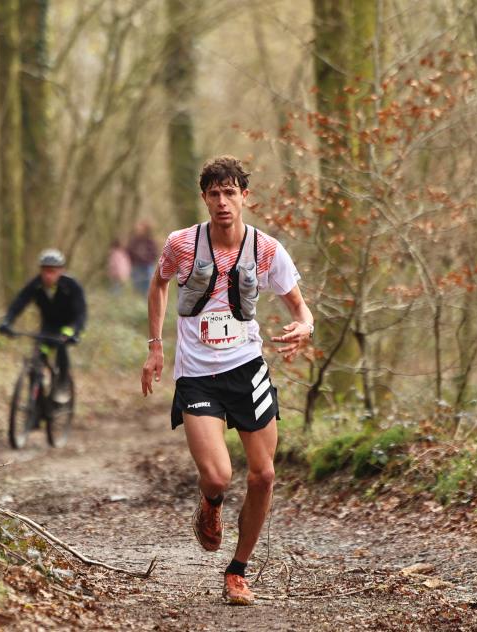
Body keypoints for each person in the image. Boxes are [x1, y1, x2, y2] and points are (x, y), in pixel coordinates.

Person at [140, 155, 314, 606]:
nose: (222, 202)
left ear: (244, 197)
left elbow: (299, 305)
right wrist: (155, 345)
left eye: (230, 193)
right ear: (204, 198)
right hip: (197, 375)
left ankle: (237, 571)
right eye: (214, 194)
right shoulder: (181, 244)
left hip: (246, 368)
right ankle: (211, 505)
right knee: (217, 476)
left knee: (264, 474)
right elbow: (159, 285)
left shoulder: (266, 249)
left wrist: (305, 324)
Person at [0, 249, 87, 402]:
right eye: (44, 271)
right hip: (48, 326)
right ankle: (35, 408)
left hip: (69, 325)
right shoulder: (36, 284)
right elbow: (19, 303)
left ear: (61, 271)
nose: (47, 275)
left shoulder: (72, 286)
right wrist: (7, 321)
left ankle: (62, 384)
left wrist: (74, 332)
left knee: (61, 345)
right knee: (36, 362)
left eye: (52, 271)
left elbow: (81, 313)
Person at [127, 220, 159, 294]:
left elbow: (154, 253)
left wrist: (146, 257)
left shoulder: (150, 241)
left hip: (147, 266)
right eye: (137, 229)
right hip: (137, 266)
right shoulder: (134, 241)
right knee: (137, 286)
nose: (138, 230)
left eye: (140, 229)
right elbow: (129, 252)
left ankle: (147, 302)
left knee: (148, 286)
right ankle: (139, 302)